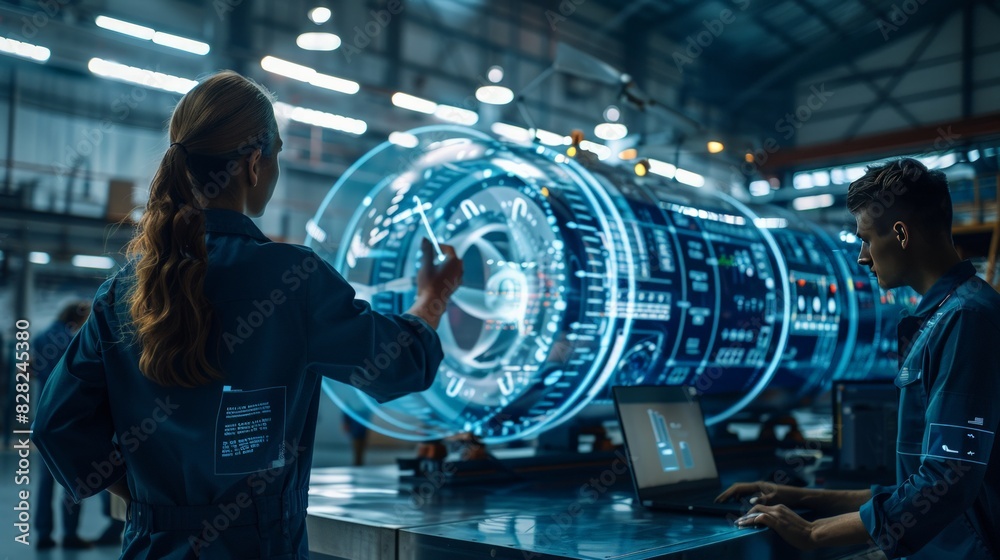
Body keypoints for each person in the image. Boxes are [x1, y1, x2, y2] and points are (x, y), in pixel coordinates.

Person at [31, 70, 463, 559]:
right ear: (254, 164)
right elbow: (401, 365)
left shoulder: (123, 291)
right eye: (276, 151)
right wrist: (433, 297)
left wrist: (152, 503)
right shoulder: (294, 279)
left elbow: (55, 426)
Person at [717, 158, 1000, 558]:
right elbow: (915, 485)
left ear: (900, 233)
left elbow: (946, 481)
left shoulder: (965, 320)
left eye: (866, 238)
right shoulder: (948, 316)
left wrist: (815, 533)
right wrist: (802, 496)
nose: (862, 257)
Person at [32, 301, 93, 550]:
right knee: (72, 480)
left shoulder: (40, 337)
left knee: (45, 481)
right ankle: (70, 534)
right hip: (68, 418)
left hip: (43, 415)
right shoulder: (72, 340)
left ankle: (43, 535)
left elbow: (35, 369)